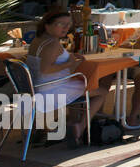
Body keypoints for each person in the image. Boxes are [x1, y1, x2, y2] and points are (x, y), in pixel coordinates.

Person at [27, 10, 108, 145]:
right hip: (50, 91)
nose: (66, 28)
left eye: (68, 24)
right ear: (47, 25)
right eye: (61, 24)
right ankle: (80, 127)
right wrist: (70, 63)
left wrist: (68, 58)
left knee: (77, 84)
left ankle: (71, 121)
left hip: (36, 88)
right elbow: (45, 69)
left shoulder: (38, 40)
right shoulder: (52, 44)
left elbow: (47, 61)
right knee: (102, 92)